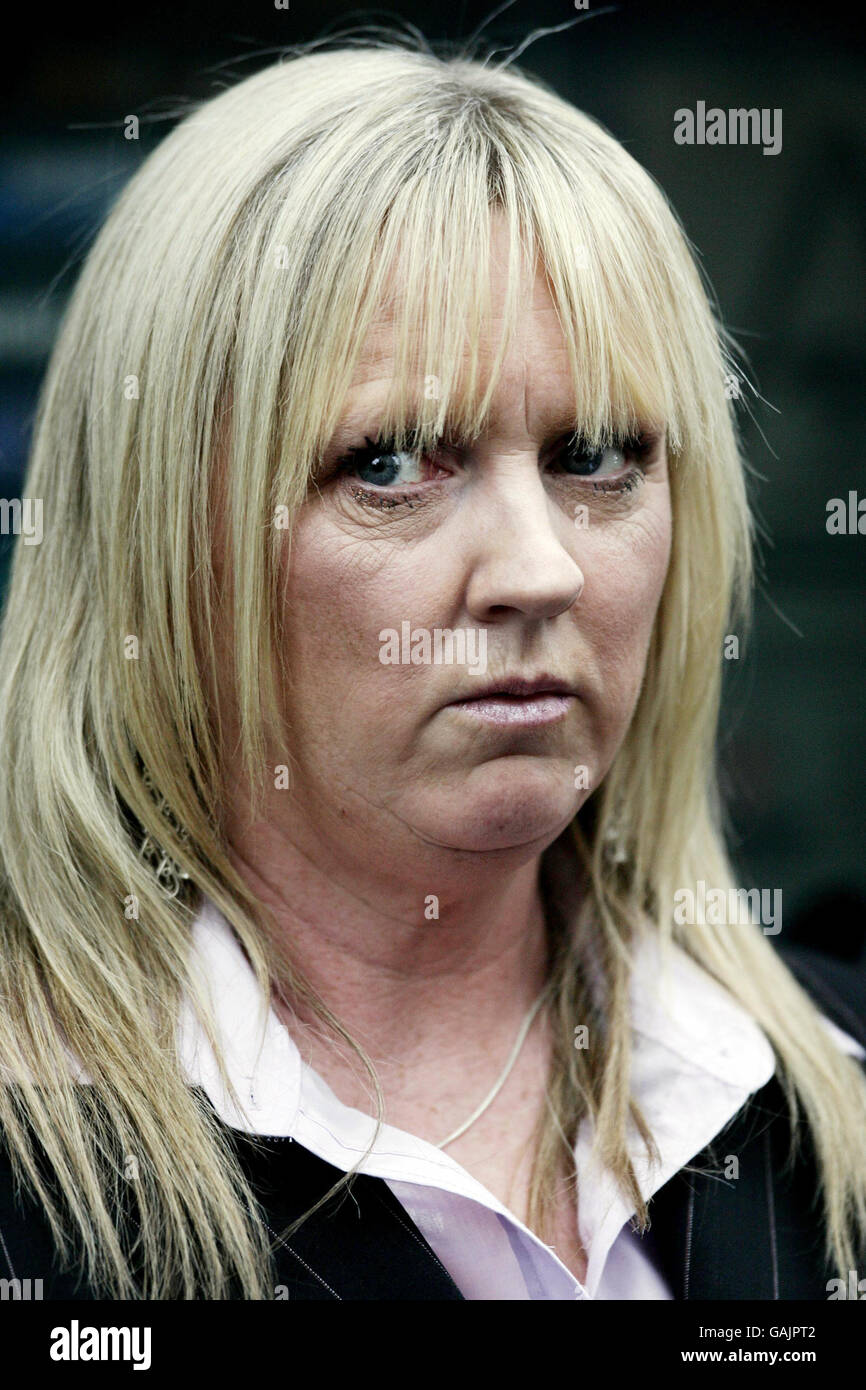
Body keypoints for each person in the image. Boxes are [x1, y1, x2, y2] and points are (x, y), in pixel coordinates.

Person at [1, 37, 864, 1301]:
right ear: (163, 540)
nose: (538, 569)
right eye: (393, 463)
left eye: (596, 454)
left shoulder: (830, 1094)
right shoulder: (41, 1199)